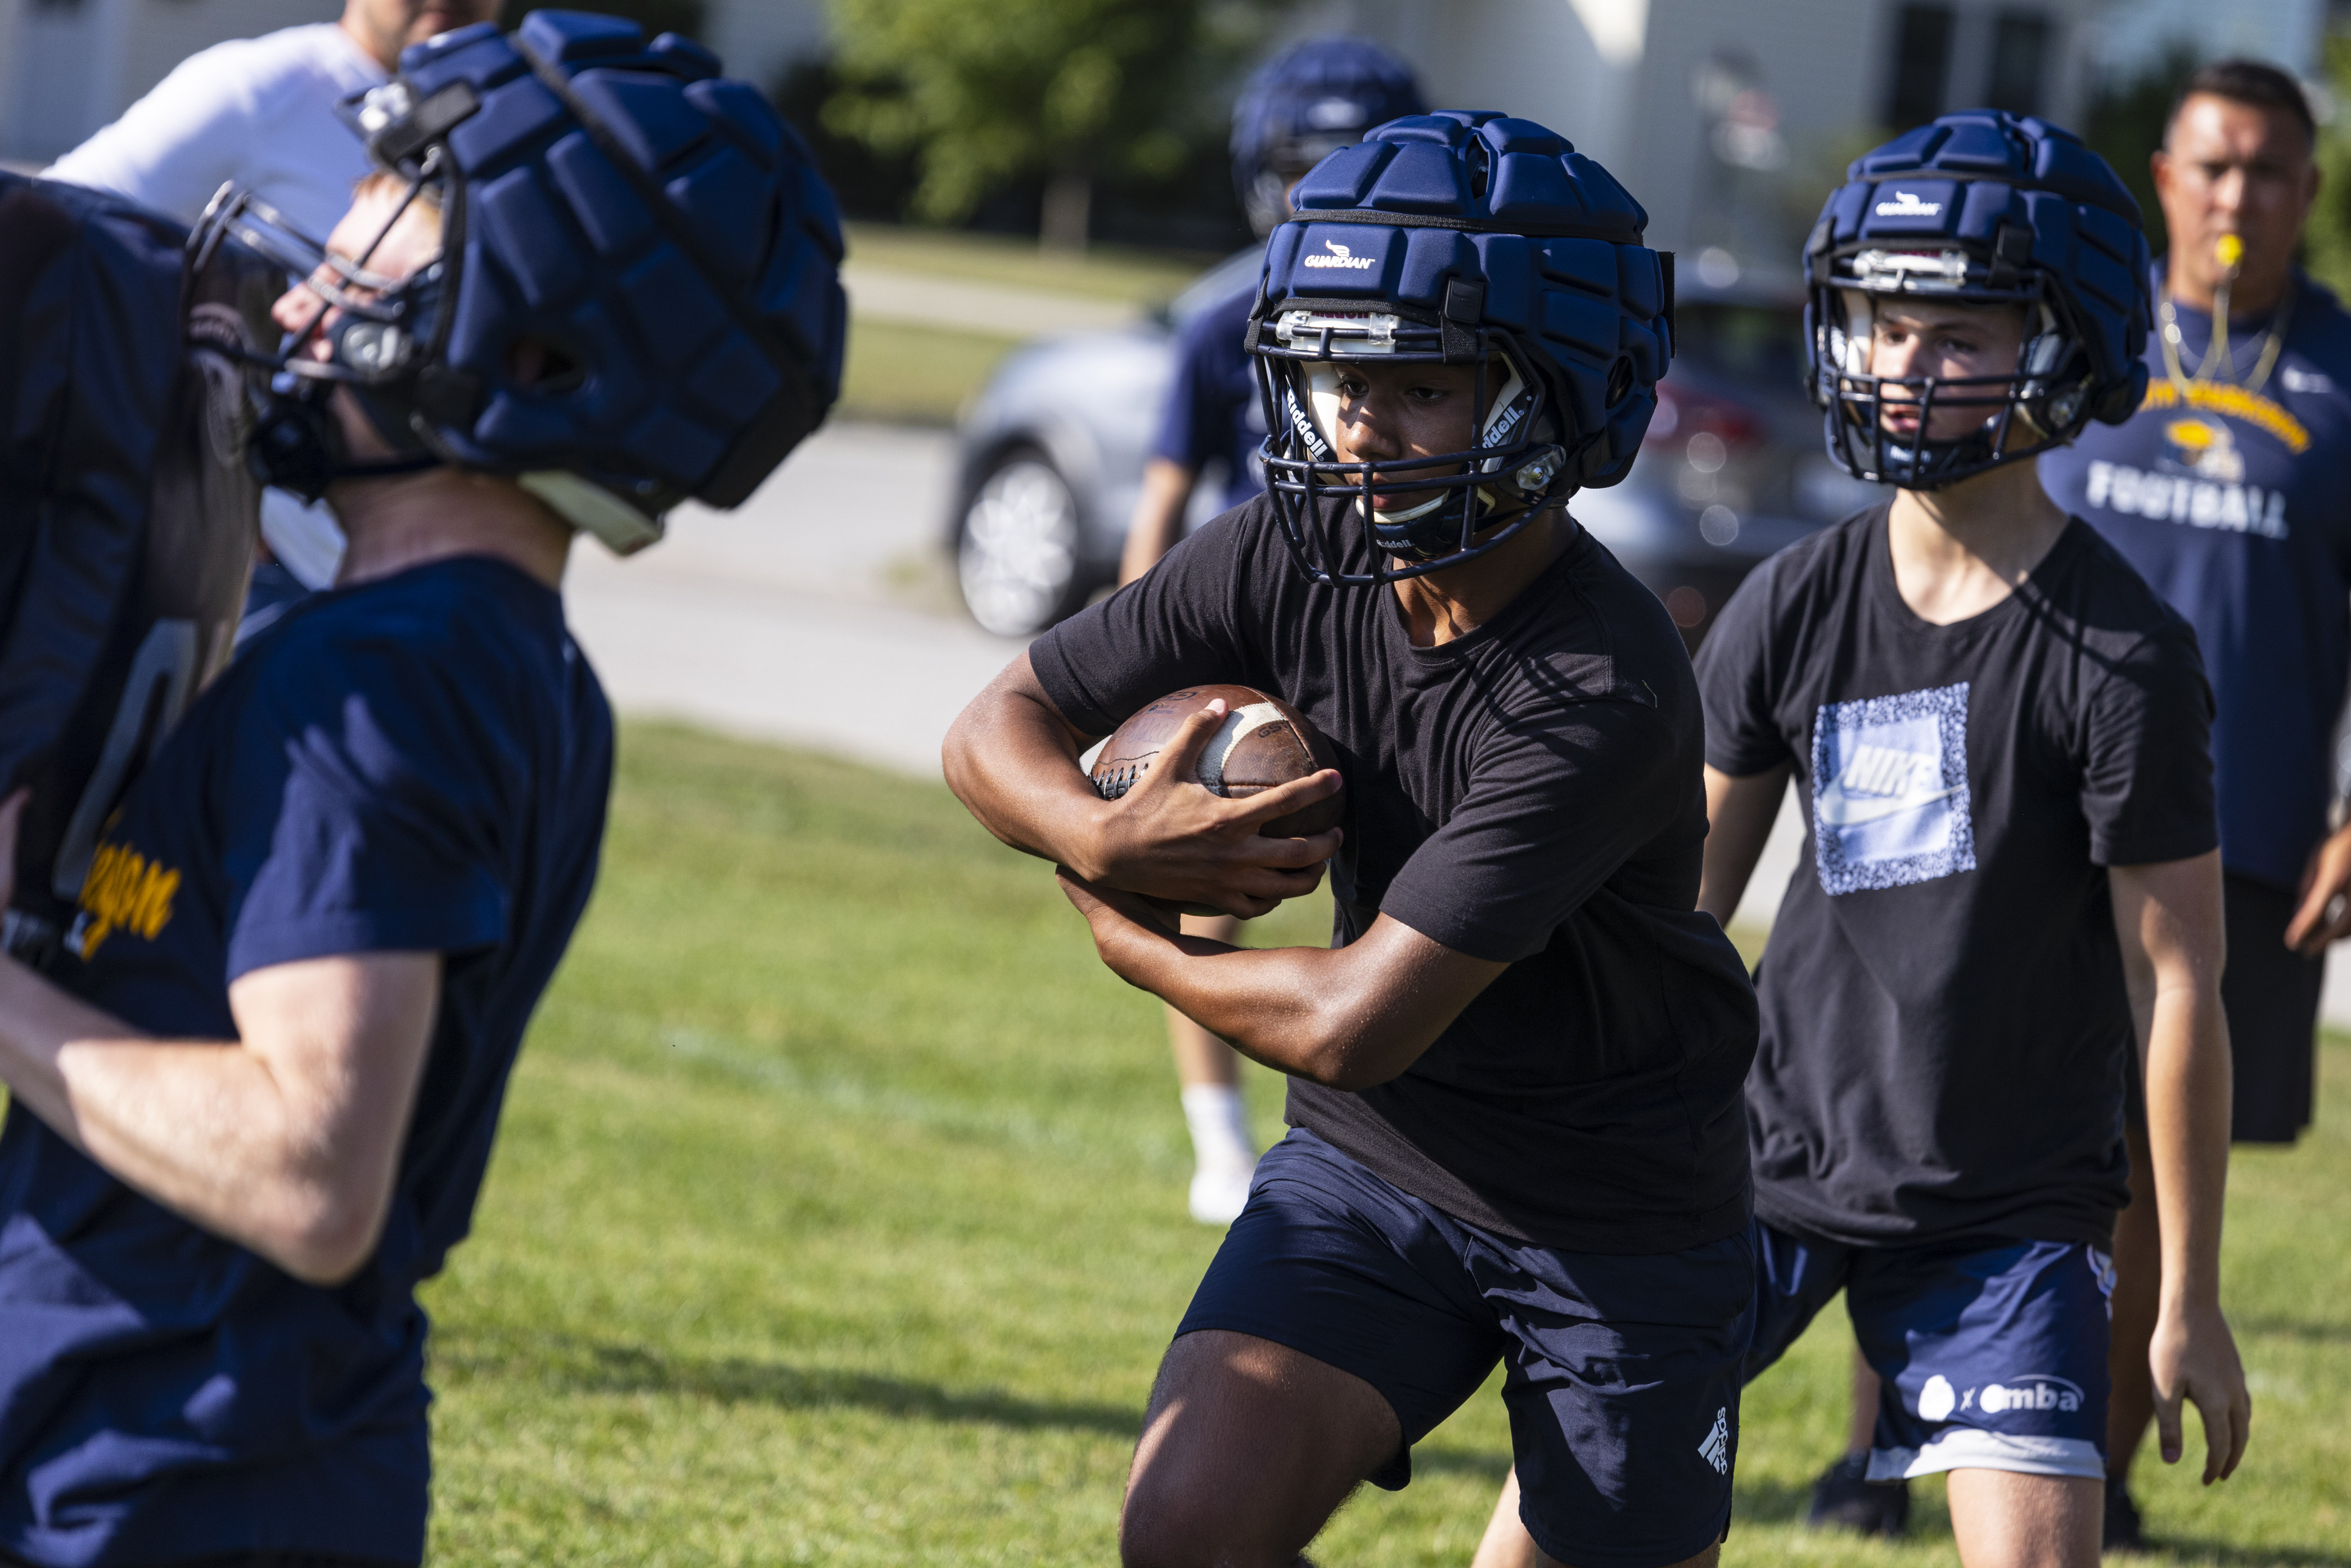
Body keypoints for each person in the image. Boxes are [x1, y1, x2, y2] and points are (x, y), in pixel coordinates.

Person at [0, 15, 844, 1563]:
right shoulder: (487, 658)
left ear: (526, 349)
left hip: (178, 1484)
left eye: (360, 265)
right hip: (180, 1450)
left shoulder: (384, 686)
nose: (299, 300)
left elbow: (307, 1171)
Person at [949, 111, 1758, 1567]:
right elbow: (991, 724)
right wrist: (1098, 832)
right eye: (1334, 376)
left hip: (1618, 1214)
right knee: (1185, 1532)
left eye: (1420, 384)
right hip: (1379, 1163)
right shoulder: (1288, 543)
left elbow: (1351, 1019)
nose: (1359, 431)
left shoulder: (1600, 682)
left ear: (1555, 392)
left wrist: (1131, 937)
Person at [1477, 109, 2253, 1568]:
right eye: (1882, 325)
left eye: (1955, 333)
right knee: (1549, 1521)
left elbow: (2174, 987)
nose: (1903, 364)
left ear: (2066, 344)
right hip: (1757, 1157)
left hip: (2011, 1203)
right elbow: (1672, 911)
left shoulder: (2124, 655)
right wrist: (1590, 1145)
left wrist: (2187, 1295)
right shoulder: (1791, 600)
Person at [2039, 61, 2348, 1548]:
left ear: (2307, 190)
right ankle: (1872, 1455)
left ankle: (2095, 1471)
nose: (2238, 196)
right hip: (2030, 812)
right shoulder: (2080, 336)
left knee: (2151, 1164)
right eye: (2213, 166)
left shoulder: (2341, 371)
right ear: (2161, 178)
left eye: (2268, 171)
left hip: (2237, 833)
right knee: (1947, 1128)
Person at [1115, 34, 1425, 1226]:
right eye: (1307, 171)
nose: (1325, 197)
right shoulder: (1220, 322)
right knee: (1213, 882)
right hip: (1257, 629)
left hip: (1398, 628)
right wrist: (1142, 658)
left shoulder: (1432, 320)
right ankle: (1219, 1139)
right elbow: (1160, 499)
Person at [45, 0, 501, 607]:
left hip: (433, 570)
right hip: (261, 573)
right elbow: (47, 243)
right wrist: (178, 474)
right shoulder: (259, 88)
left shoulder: (510, 116)